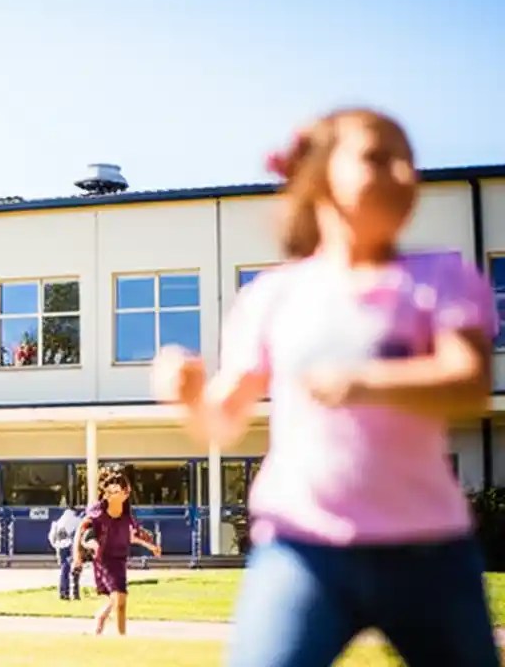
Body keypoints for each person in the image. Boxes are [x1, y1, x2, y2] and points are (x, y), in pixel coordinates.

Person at [152, 108, 499, 667]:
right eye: (379, 159)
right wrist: (190, 394)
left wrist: (364, 381)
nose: (406, 176)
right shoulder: (273, 296)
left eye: (410, 163)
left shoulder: (443, 278)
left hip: (430, 551)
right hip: (300, 547)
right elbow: (222, 419)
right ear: (320, 177)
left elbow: (470, 383)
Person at [77, 467, 161, 636]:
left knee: (119, 597)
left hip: (120, 559)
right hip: (104, 560)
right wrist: (78, 556)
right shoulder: (98, 511)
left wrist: (151, 546)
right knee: (120, 598)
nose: (115, 495)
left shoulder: (127, 515)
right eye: (111, 491)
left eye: (119, 491)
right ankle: (121, 638)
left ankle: (102, 617)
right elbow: (82, 531)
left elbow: (131, 537)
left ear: (126, 492)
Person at [47, 498, 84, 600]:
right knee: (70, 570)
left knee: (64, 569)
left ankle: (64, 592)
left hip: (59, 546)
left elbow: (52, 535)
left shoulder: (60, 520)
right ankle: (70, 592)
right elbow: (80, 528)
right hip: (68, 546)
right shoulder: (74, 519)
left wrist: (55, 545)